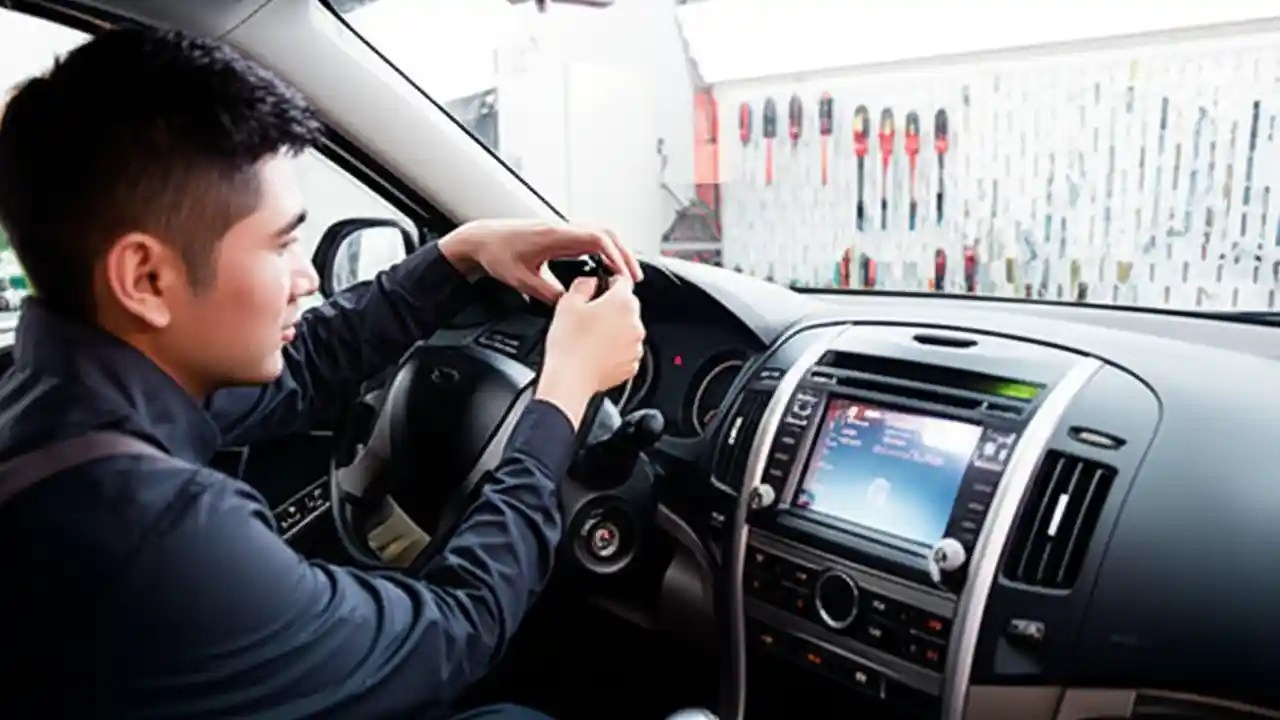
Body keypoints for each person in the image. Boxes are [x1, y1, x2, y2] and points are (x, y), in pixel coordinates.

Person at [0, 26, 645, 719]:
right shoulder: (159, 535)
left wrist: (459, 251)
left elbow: (304, 370)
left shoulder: (57, 396)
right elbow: (452, 633)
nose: (307, 276)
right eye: (281, 244)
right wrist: (563, 398)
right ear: (145, 276)